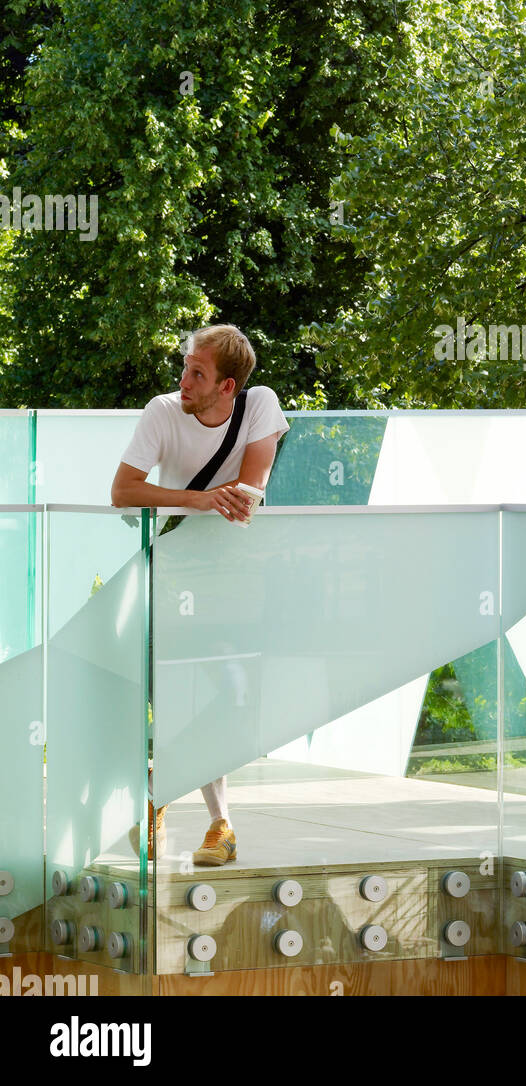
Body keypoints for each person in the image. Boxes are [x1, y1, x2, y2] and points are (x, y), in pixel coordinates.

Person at [111, 324, 290, 866]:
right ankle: (201, 814)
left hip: (236, 578)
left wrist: (227, 500)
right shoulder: (162, 412)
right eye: (185, 367)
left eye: (197, 373)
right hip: (174, 568)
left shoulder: (259, 405)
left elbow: (248, 496)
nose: (183, 381)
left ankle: (180, 797)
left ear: (228, 387)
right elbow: (122, 491)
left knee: (229, 692)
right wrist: (201, 499)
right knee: (167, 690)